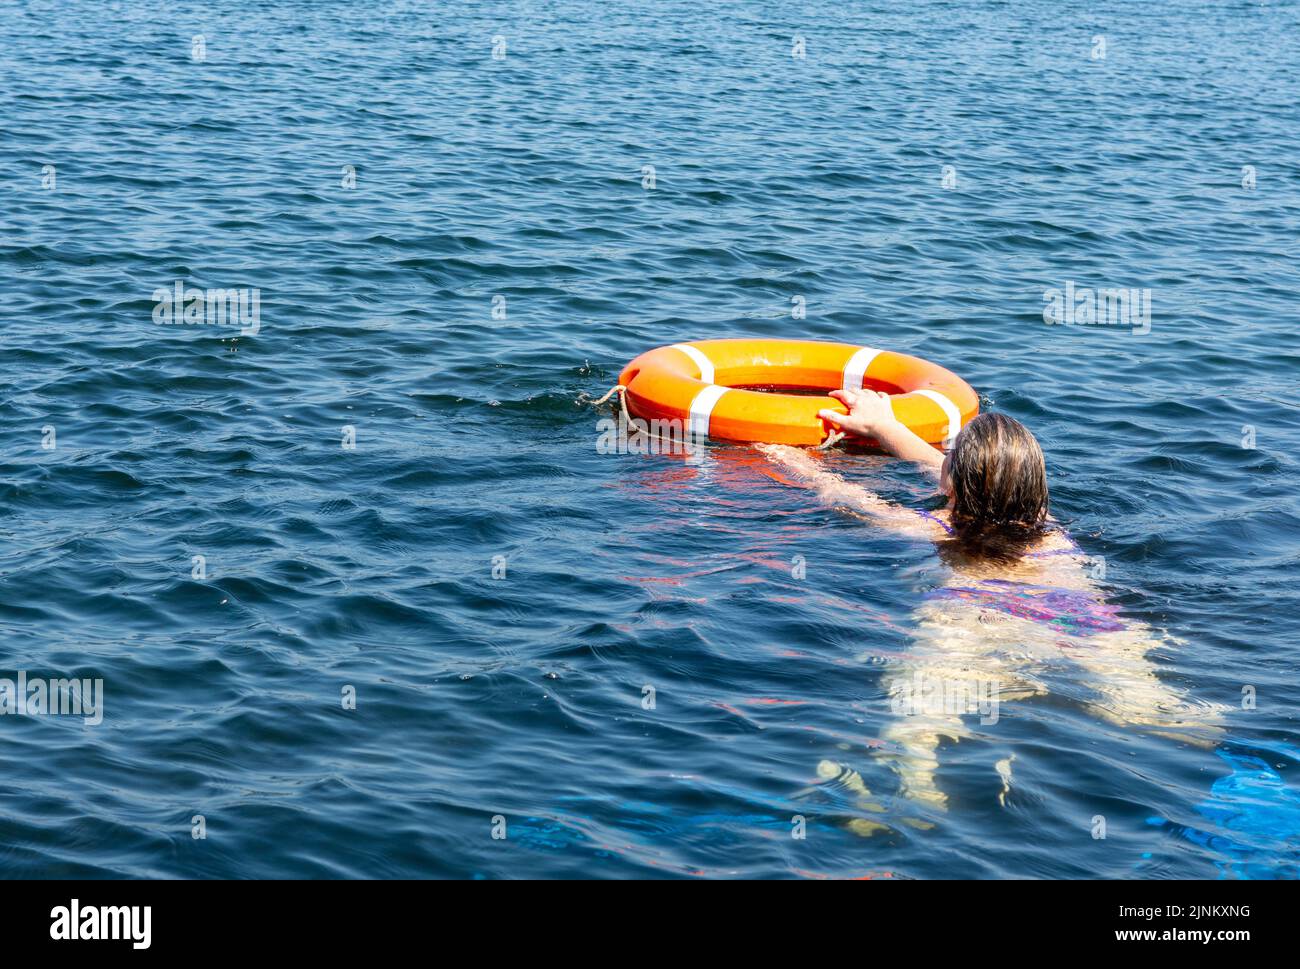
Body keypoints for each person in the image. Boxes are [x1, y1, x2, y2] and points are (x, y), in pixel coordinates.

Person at [761, 389, 1223, 812]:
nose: (938, 458)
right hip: (1080, 616)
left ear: (952, 483)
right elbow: (952, 472)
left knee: (921, 711)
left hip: (975, 613)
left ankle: (918, 784)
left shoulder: (927, 527)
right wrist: (884, 427)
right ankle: (1225, 755)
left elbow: (843, 495)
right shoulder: (1046, 522)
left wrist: (786, 457)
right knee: (1148, 707)